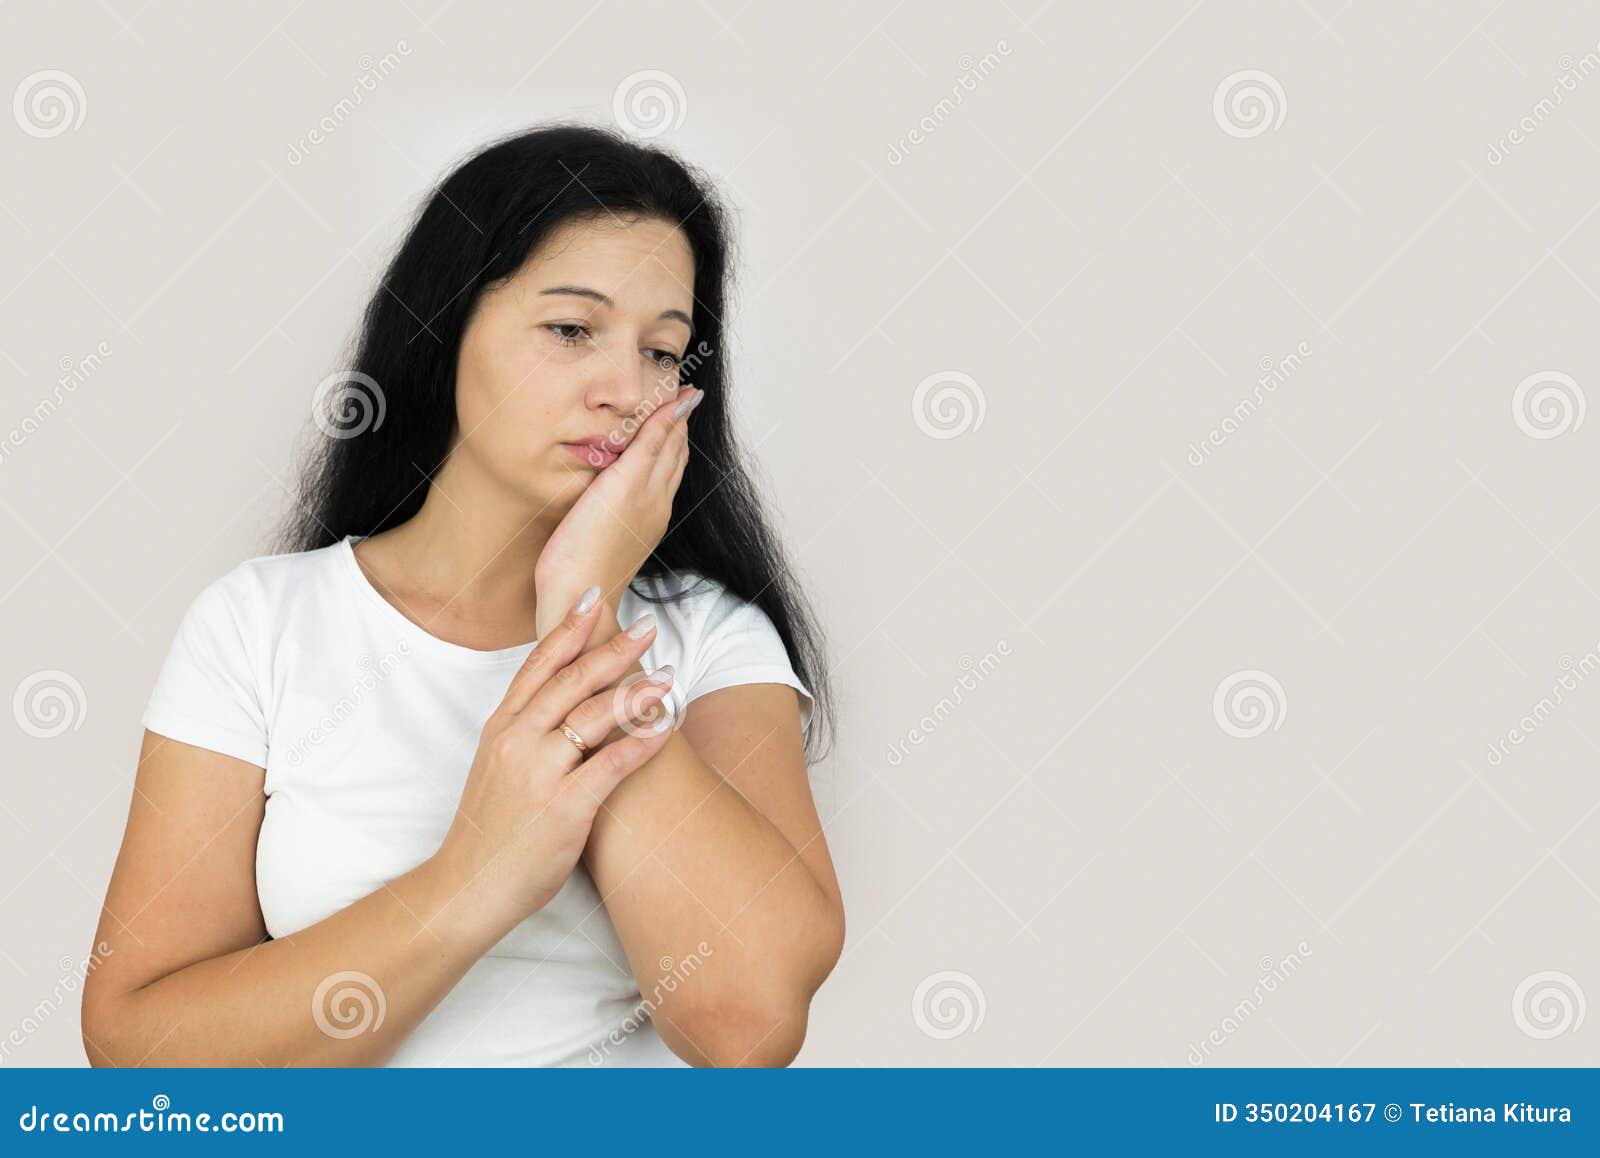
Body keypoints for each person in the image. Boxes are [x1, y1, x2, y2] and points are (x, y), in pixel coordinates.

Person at [80, 123, 844, 1068]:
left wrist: (583, 609)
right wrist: (479, 877)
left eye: (663, 352)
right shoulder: (260, 626)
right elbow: (137, 1050)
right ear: (446, 329)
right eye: (572, 330)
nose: (627, 389)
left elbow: (746, 1026)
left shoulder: (712, 641)